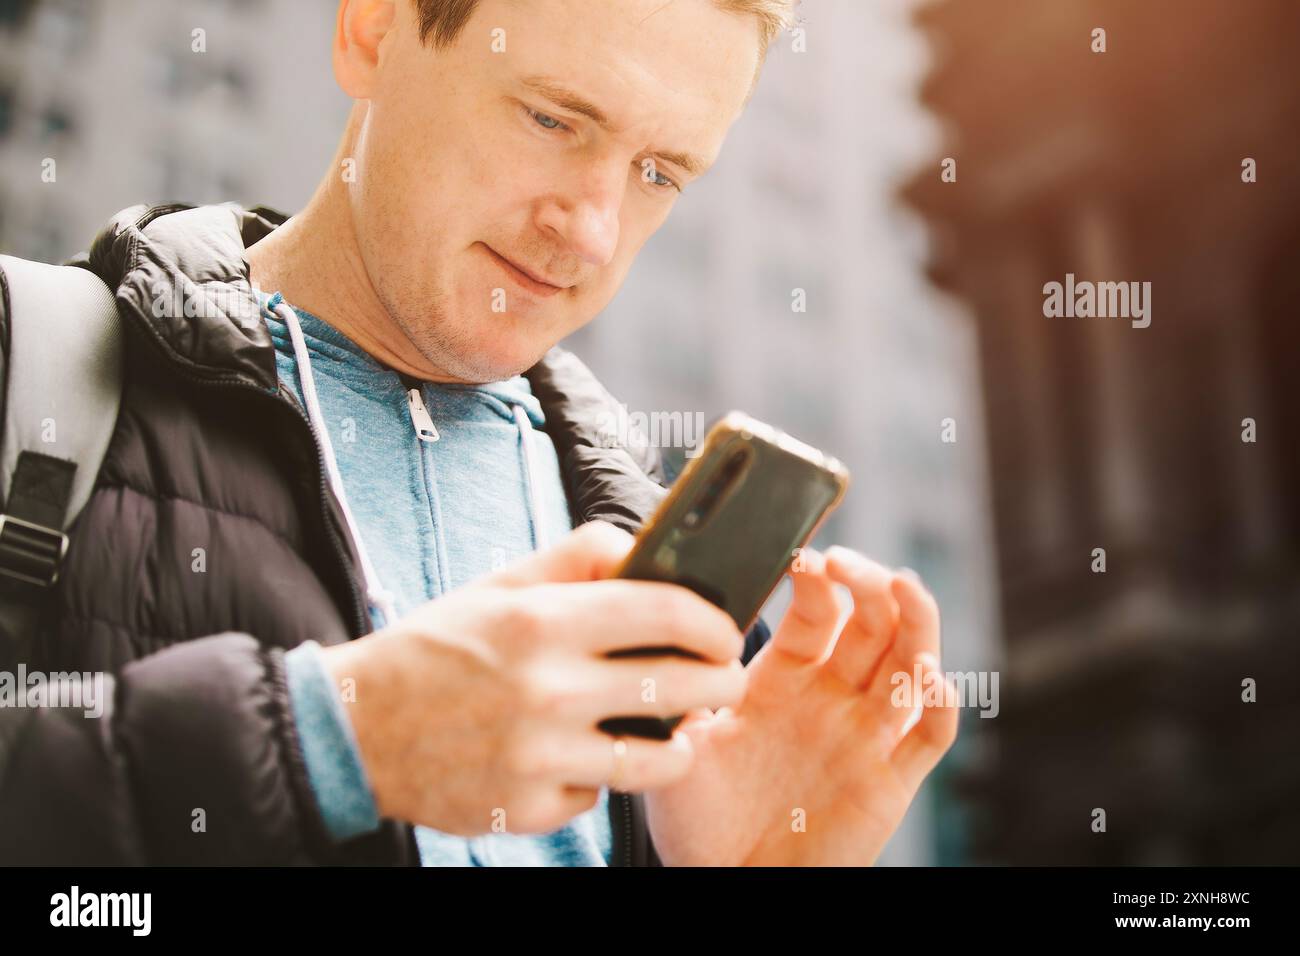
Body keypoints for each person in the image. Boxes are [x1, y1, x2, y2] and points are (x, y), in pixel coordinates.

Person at [0, 0, 958, 866]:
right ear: (374, 30)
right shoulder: (31, 369)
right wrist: (331, 743)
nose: (590, 232)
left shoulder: (676, 606)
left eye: (660, 171)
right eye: (553, 118)